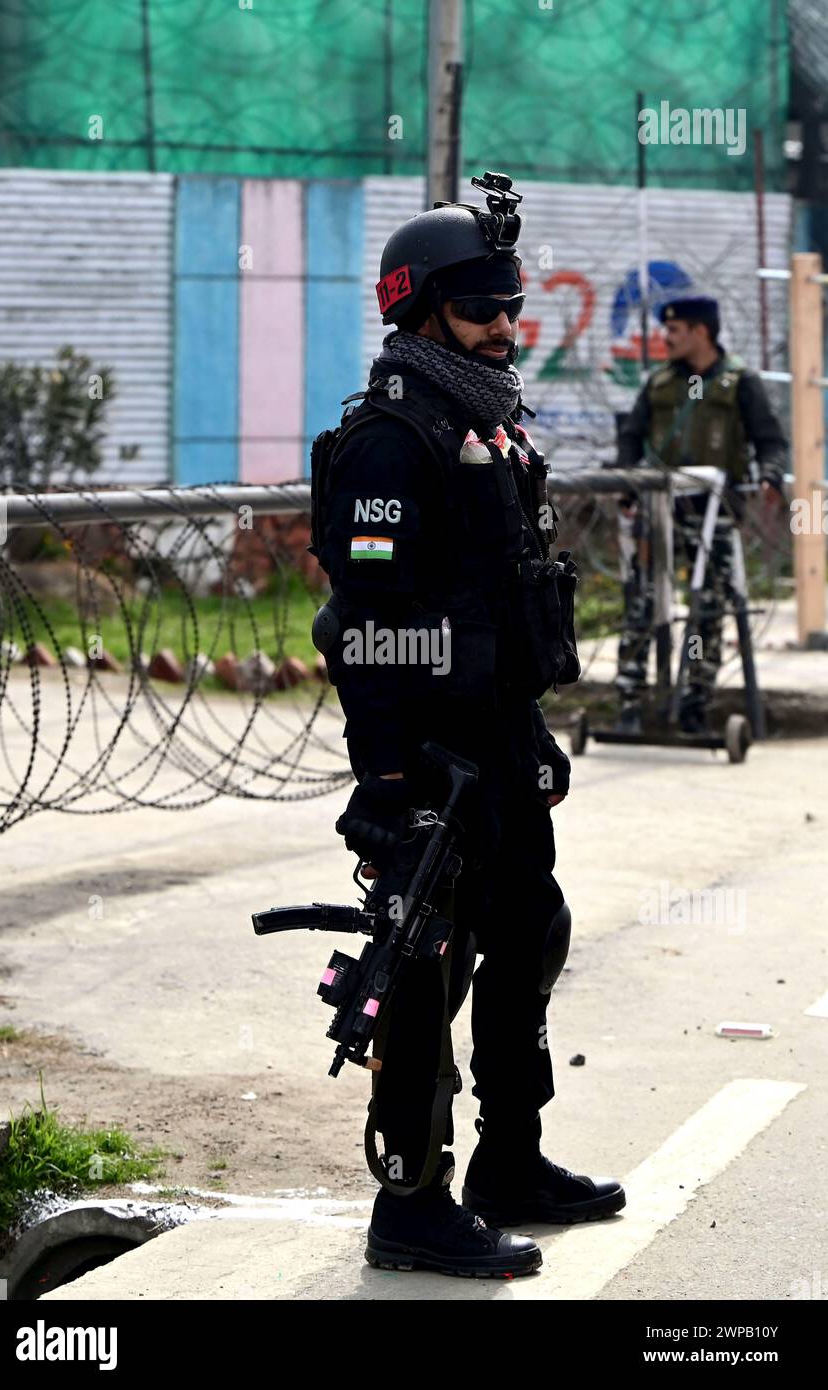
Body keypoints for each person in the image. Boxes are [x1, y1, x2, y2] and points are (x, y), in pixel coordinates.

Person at [310, 172, 625, 1280]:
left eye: (512, 304)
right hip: (430, 764)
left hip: (496, 742)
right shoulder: (393, 444)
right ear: (422, 306)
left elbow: (501, 596)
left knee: (530, 932)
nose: (507, 325)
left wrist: (526, 729)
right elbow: (367, 630)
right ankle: (411, 1202)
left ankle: (511, 1161)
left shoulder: (486, 428)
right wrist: (390, 782)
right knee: (423, 968)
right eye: (484, 306)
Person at [613, 296, 787, 733]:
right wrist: (629, 483)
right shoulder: (659, 384)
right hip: (660, 510)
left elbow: (770, 439)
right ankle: (631, 703)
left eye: (674, 330)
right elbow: (631, 438)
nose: (665, 338)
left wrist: (770, 474)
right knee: (642, 601)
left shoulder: (739, 381)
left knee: (707, 609)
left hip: (714, 512)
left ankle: (693, 705)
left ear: (701, 332)